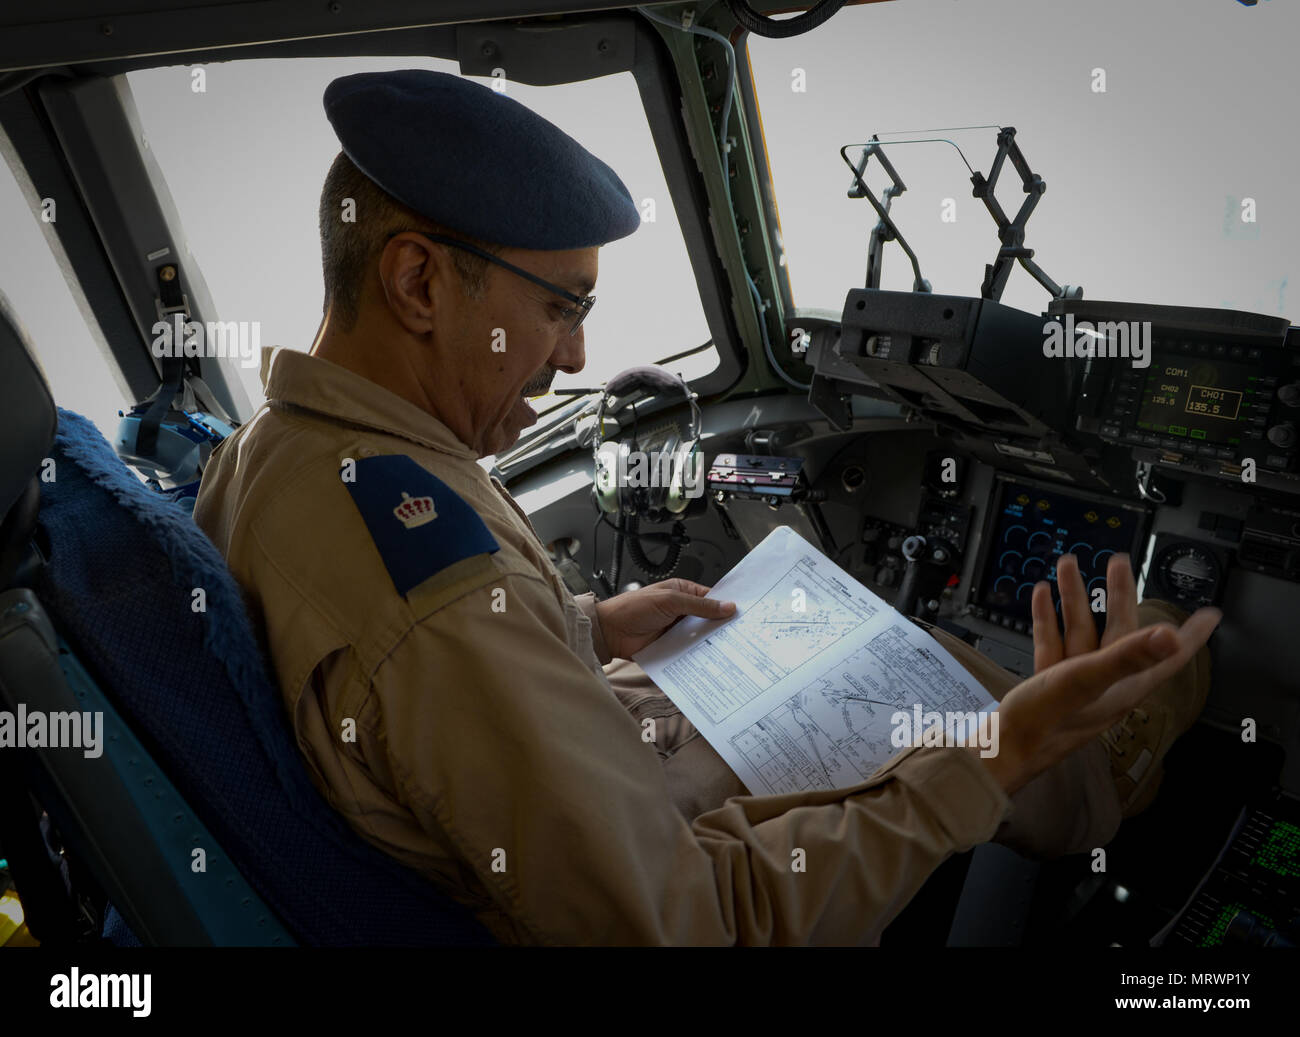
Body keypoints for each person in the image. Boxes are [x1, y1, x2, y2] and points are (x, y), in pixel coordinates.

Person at [193, 68, 1220, 945]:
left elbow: (401, 686)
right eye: (560, 305)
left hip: (537, 790)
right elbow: (688, 925)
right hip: (620, 868)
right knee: (956, 721)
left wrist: (580, 626)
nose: (575, 358)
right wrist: (991, 761)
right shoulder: (436, 590)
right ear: (418, 282)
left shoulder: (269, 447)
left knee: (862, 650)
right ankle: (1107, 751)